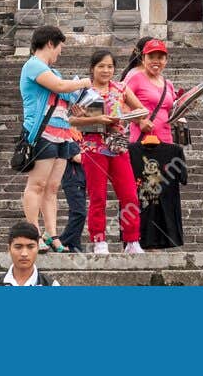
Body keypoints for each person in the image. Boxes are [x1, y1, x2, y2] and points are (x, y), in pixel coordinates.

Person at [19, 26, 91, 253]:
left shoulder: (54, 72)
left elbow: (66, 98)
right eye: (60, 47)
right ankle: (34, 234)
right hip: (42, 134)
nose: (60, 52)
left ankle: (52, 235)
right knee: (37, 185)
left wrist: (78, 108)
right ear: (50, 43)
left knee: (52, 188)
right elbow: (60, 87)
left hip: (62, 135)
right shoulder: (33, 66)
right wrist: (83, 83)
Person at [69, 48, 147, 254]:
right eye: (101, 66)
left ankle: (132, 240)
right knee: (98, 196)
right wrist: (95, 119)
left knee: (130, 194)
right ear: (92, 69)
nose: (106, 70)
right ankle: (99, 240)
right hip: (93, 148)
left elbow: (141, 111)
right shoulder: (83, 90)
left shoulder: (121, 88)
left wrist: (125, 116)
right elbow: (71, 120)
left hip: (118, 147)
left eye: (110, 66)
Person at [124, 38, 186, 250]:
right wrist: (139, 120)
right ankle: (135, 240)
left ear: (166, 60)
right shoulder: (135, 79)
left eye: (161, 57)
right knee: (142, 195)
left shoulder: (167, 83)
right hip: (141, 145)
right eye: (152, 57)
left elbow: (169, 110)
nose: (156, 61)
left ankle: (161, 240)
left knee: (162, 195)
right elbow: (118, 104)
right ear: (144, 57)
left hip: (165, 146)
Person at [0, 220, 61, 286]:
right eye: (18, 247)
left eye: (30, 247)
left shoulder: (52, 285)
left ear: (38, 248)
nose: (24, 253)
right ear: (9, 248)